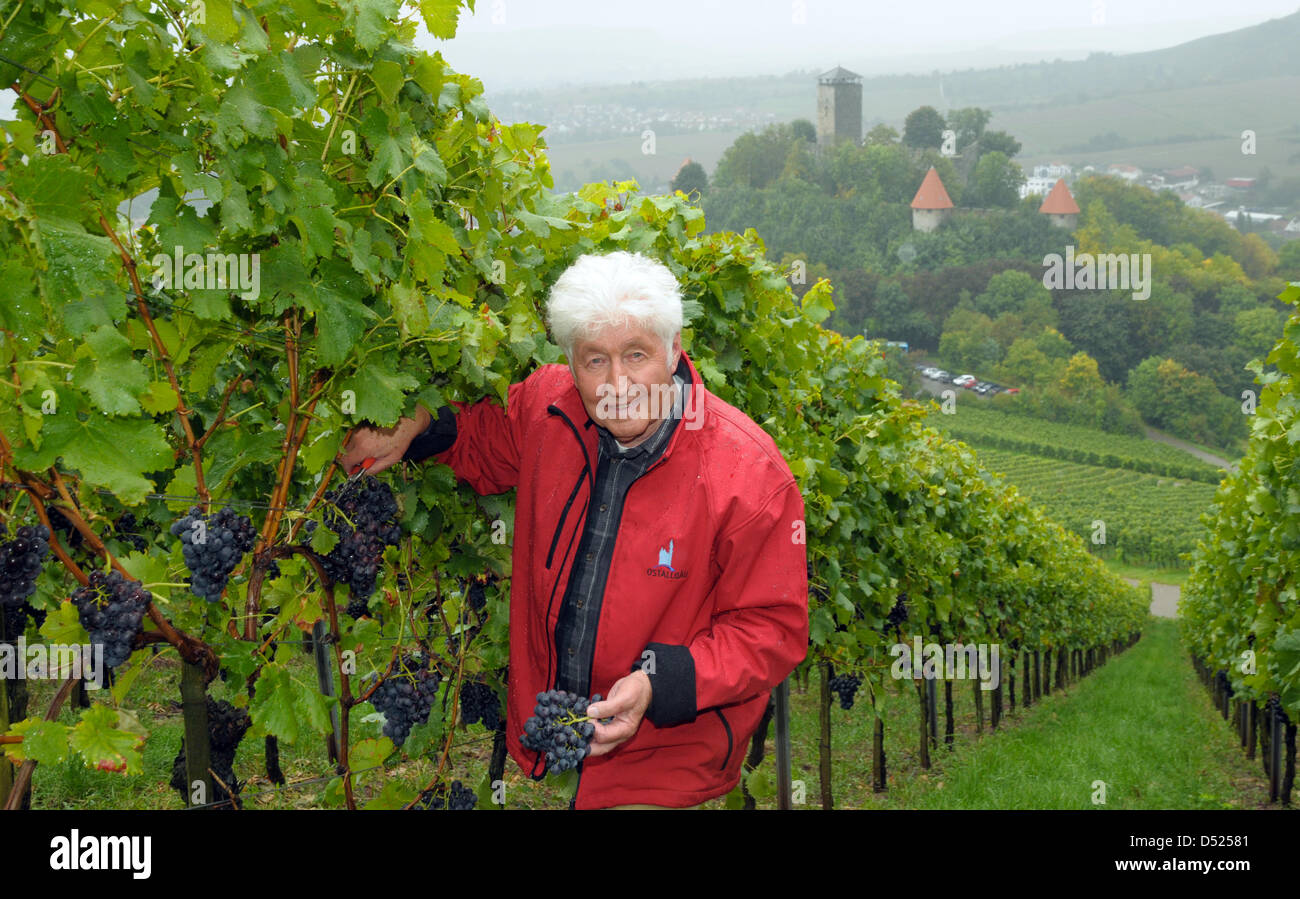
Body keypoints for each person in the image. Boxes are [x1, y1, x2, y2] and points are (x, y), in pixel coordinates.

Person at [341, 249, 808, 809]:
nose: (618, 382)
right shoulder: (549, 407)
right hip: (566, 732)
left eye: (636, 355)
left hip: (672, 755)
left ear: (674, 348)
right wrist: (416, 423)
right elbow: (483, 439)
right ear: (569, 360)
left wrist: (660, 683)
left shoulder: (749, 475)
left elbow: (772, 629)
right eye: (594, 360)